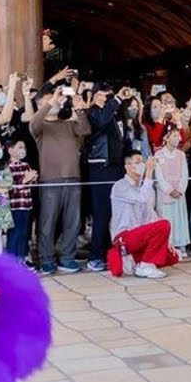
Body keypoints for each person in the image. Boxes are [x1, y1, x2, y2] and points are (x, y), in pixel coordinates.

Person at [30, 86, 91, 274]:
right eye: (51, 100)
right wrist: (51, 101)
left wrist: (80, 109)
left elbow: (85, 129)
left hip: (73, 177)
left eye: (58, 99)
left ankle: (67, 257)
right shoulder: (40, 127)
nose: (57, 102)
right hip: (50, 179)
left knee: (72, 221)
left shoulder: (67, 123)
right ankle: (46, 258)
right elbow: (34, 122)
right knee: (47, 221)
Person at [107, 150, 179, 279]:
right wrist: (149, 173)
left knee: (173, 257)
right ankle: (144, 265)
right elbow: (141, 198)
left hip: (140, 236)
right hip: (125, 236)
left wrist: (165, 240)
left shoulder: (143, 186)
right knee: (164, 225)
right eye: (138, 162)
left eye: (143, 162)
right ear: (128, 166)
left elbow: (150, 215)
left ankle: (136, 261)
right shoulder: (119, 186)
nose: (143, 165)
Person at [85, 84, 130, 272]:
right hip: (100, 166)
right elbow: (101, 122)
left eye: (108, 95)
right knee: (102, 213)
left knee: (117, 212)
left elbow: (123, 139)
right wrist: (116, 100)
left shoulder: (116, 114)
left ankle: (113, 252)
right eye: (102, 95)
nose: (107, 98)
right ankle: (96, 255)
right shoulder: (92, 113)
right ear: (94, 96)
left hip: (117, 165)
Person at [154, 127, 191, 256]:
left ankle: (180, 244)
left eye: (178, 136)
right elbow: (158, 175)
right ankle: (167, 245)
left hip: (179, 191)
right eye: (174, 136)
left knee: (179, 217)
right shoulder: (158, 154)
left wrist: (180, 189)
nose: (177, 139)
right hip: (165, 192)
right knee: (166, 218)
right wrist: (169, 190)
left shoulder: (180, 155)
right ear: (166, 138)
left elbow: (184, 174)